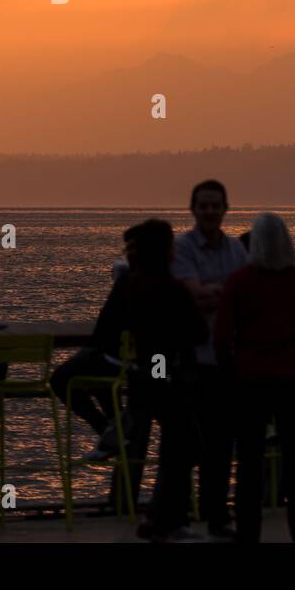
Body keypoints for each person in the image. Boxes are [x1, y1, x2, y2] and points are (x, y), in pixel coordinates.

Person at [216, 213, 295, 543]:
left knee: (248, 466)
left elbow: (222, 337)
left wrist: (230, 375)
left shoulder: (238, 282)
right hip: (294, 380)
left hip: (250, 381)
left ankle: (248, 532)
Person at [96, 219, 207, 541]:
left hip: (140, 376)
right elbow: (196, 332)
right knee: (185, 447)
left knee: (175, 447)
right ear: (165, 251)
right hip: (170, 377)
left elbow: (105, 332)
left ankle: (162, 517)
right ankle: (165, 517)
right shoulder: (171, 288)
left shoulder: (128, 285)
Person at [172, 179, 248, 538]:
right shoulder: (181, 248)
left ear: (225, 209)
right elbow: (193, 299)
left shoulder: (237, 251)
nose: (209, 212)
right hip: (191, 360)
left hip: (228, 361)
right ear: (193, 209)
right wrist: (225, 293)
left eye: (215, 206)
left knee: (221, 446)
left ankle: (217, 517)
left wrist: (211, 293)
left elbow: (243, 300)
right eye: (203, 206)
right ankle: (179, 517)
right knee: (186, 445)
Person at [50, 225, 137, 462]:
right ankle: (114, 427)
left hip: (114, 361)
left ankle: (105, 429)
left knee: (60, 379)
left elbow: (106, 329)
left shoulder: (128, 283)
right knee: (99, 377)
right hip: (132, 365)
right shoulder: (162, 283)